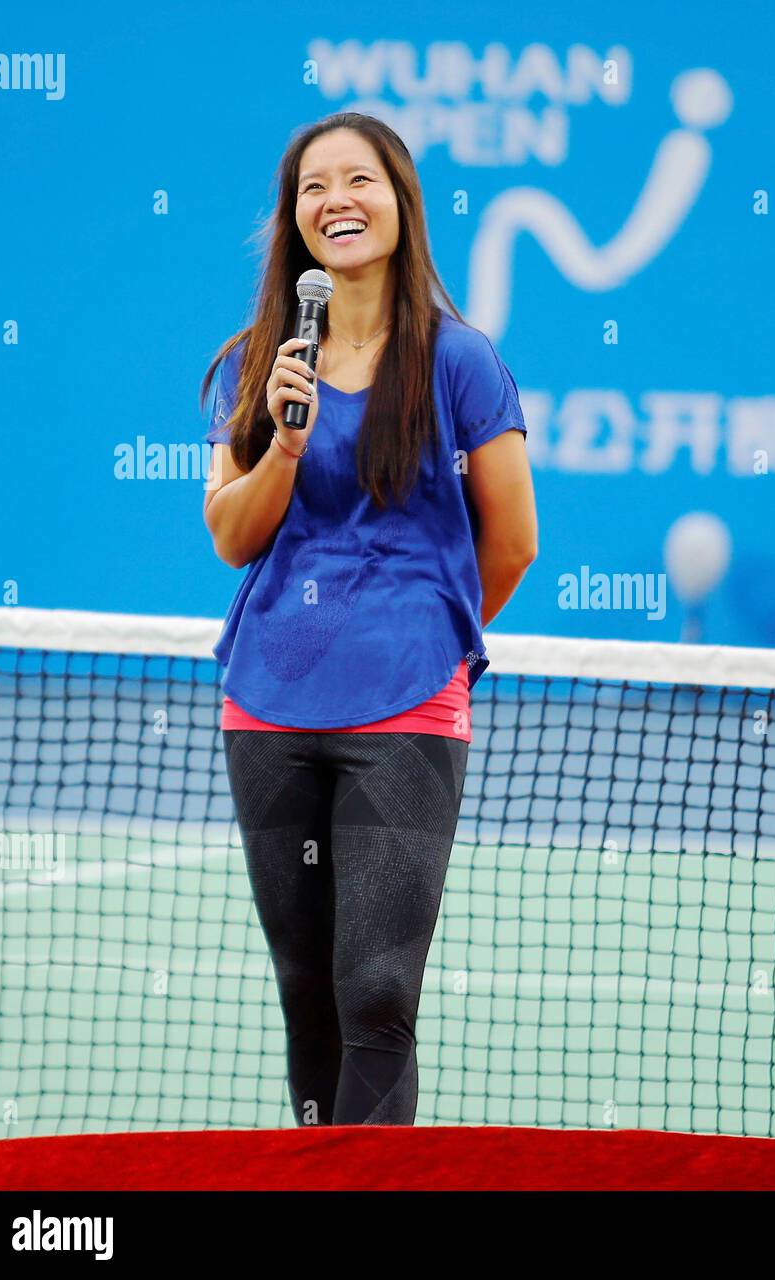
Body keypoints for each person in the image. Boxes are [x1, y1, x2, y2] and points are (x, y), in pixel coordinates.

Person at [200, 112, 537, 1126]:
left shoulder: (460, 362)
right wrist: (285, 447)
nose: (336, 200)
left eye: (360, 181)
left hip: (404, 707)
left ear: (400, 203)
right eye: (313, 187)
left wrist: (430, 640)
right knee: (306, 990)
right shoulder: (255, 364)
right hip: (267, 699)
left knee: (377, 990)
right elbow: (230, 532)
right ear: (292, 221)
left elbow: (513, 539)